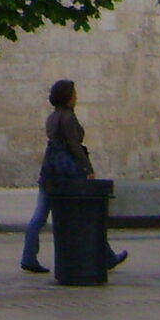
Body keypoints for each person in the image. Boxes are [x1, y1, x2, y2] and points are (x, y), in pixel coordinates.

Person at [19, 78, 126, 274]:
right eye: (74, 94)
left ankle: (28, 256)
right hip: (68, 172)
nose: (77, 97)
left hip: (49, 170)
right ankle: (107, 256)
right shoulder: (68, 118)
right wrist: (88, 168)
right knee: (85, 215)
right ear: (68, 97)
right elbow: (74, 146)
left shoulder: (51, 118)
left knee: (40, 215)